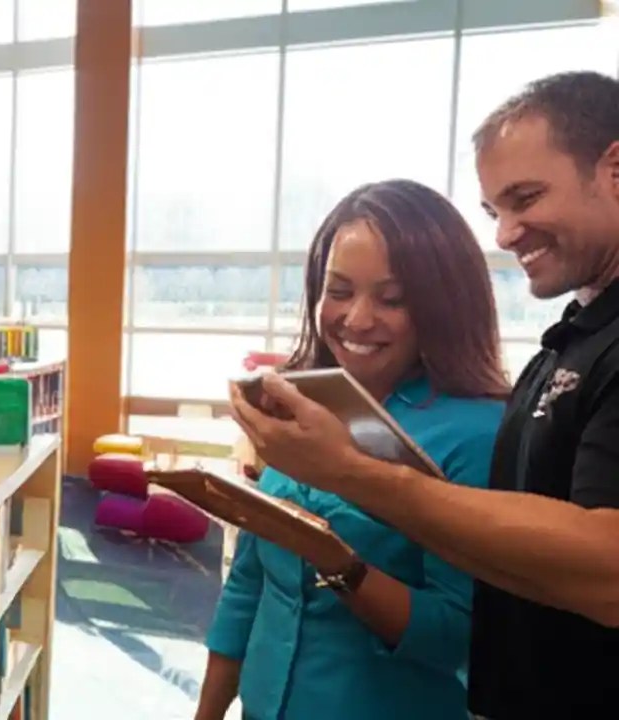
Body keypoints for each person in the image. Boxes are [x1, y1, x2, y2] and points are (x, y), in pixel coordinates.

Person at [227, 71, 619, 720]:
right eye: (496, 211)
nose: (507, 233)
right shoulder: (567, 347)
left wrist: (347, 481)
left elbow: (604, 570)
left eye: (527, 198)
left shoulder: (475, 422)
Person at [196, 179, 508, 720]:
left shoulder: (477, 435)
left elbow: (457, 638)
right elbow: (248, 584)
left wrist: (335, 560)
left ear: (442, 306)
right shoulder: (297, 403)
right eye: (338, 291)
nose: (357, 319)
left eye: (392, 299)